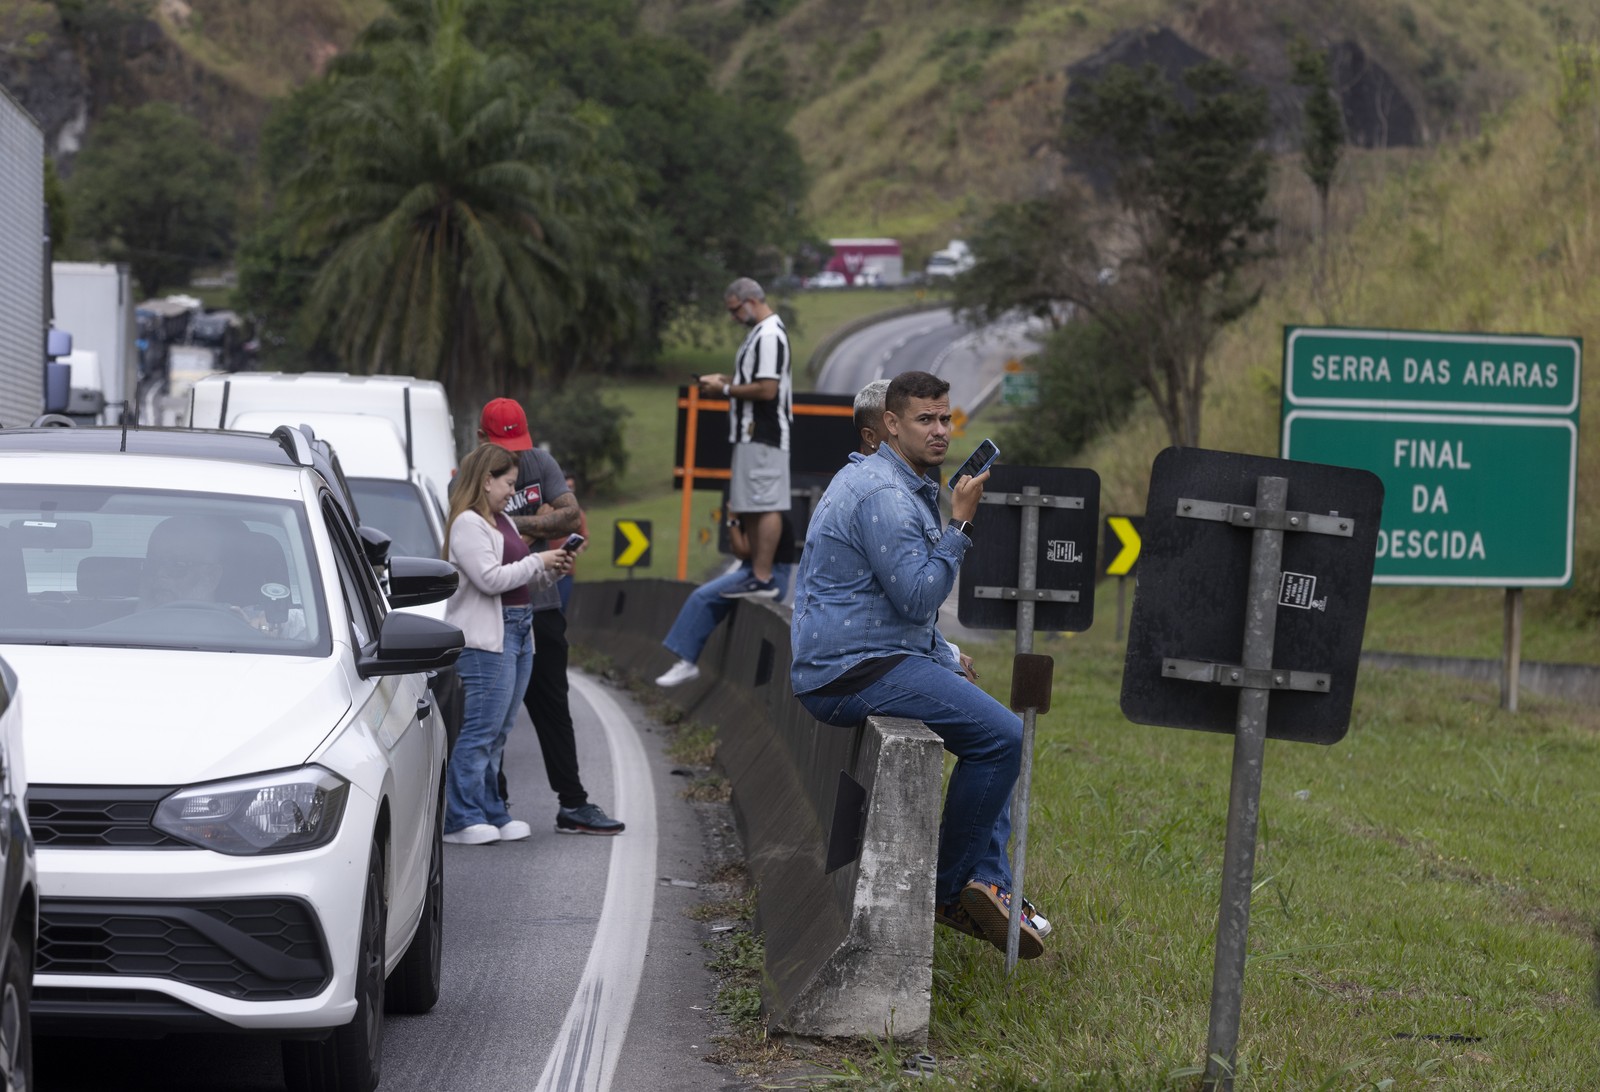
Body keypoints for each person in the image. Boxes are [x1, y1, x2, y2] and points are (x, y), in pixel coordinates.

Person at [788, 370, 1051, 959]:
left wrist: (944, 654)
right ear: (889, 425)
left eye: (945, 419)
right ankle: (950, 889)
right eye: (924, 421)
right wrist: (961, 523)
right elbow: (916, 597)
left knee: (982, 715)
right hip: (848, 673)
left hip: (866, 656)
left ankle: (991, 881)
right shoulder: (885, 494)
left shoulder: (894, 481)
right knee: (1005, 737)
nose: (939, 432)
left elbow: (889, 610)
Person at [479, 398, 626, 836]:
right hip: (495, 612)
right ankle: (492, 802)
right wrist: (536, 524)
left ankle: (574, 804)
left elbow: (570, 514)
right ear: (481, 442)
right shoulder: (468, 479)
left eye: (517, 446)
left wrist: (513, 526)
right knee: (495, 713)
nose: (514, 458)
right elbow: (481, 536)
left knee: (554, 708)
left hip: (541, 605)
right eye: (503, 447)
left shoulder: (539, 462)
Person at [441, 443, 570, 845]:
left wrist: (552, 570)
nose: (512, 493)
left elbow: (519, 578)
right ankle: (459, 817)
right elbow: (490, 579)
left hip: (518, 630)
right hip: (485, 640)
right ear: (486, 480)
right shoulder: (468, 524)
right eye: (508, 484)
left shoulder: (503, 522)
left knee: (500, 731)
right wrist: (538, 562)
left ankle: (493, 809)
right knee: (480, 730)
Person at [696, 277, 792, 600]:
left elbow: (767, 389)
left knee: (765, 503)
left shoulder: (768, 334)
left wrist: (723, 389)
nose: (734, 317)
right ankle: (756, 574)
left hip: (763, 432)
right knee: (751, 503)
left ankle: (763, 576)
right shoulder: (759, 335)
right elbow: (751, 381)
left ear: (750, 301)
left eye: (735, 310)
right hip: (751, 434)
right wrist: (723, 380)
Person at [654, 507, 799, 688]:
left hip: (771, 574)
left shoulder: (769, 515)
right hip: (748, 569)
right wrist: (733, 520)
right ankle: (686, 661)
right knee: (708, 596)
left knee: (702, 597)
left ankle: (687, 662)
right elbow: (741, 552)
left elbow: (752, 554)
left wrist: (733, 518)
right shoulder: (752, 513)